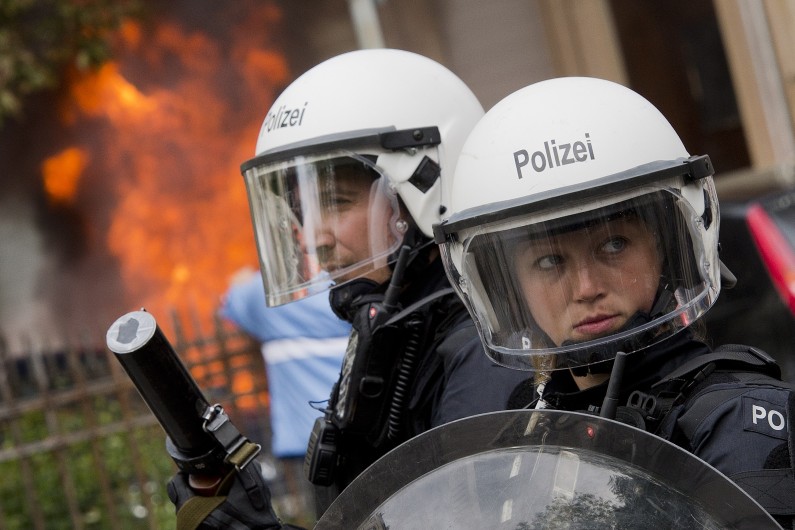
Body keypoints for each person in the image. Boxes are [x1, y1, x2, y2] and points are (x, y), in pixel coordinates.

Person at [167, 48, 527, 528]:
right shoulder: (396, 333)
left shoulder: (486, 354)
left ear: (423, 193)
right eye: (301, 214)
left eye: (333, 203)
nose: (313, 237)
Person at [433, 76, 795, 527]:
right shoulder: (524, 437)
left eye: (613, 246)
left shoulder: (736, 423)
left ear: (666, 246)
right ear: (509, 289)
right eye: (549, 262)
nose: (586, 287)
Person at [220, 269, 350, 515]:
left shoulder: (266, 294)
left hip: (311, 444)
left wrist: (242, 280)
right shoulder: (349, 285)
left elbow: (232, 301)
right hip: (359, 431)